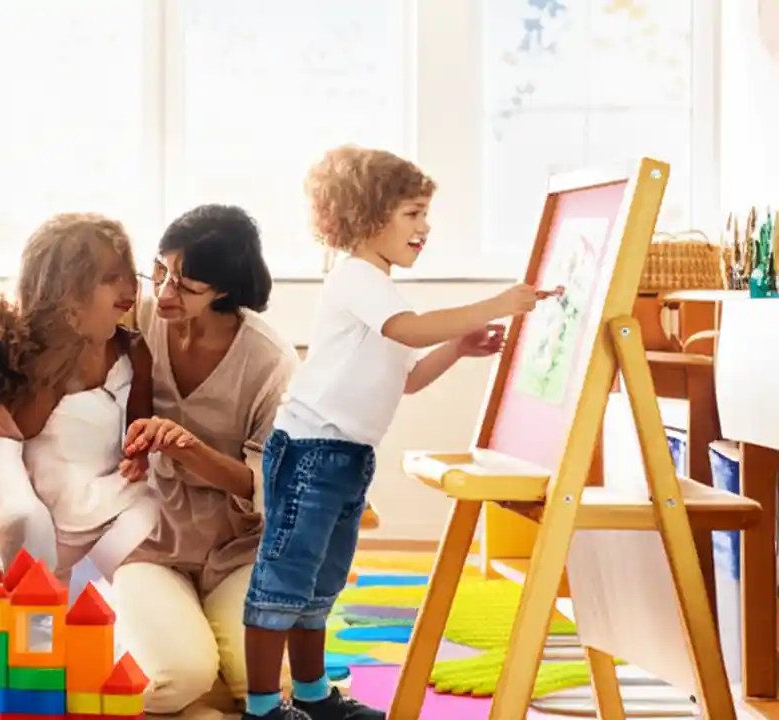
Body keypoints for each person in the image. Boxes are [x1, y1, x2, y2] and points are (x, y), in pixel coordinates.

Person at [240, 145, 556, 720]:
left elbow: (407, 377)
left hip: (346, 456)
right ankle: (262, 708)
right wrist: (500, 303)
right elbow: (409, 331)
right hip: (311, 451)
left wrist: (458, 348)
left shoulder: (379, 286)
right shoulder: (358, 278)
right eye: (412, 214)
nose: (425, 227)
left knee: (320, 587)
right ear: (367, 216)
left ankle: (312, 696)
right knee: (283, 579)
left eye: (423, 215)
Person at [0, 212, 158, 630]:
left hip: (107, 493)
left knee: (156, 508)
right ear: (68, 296)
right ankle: (58, 604)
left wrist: (139, 452)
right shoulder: (42, 361)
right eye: (110, 279)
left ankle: (88, 595)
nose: (128, 290)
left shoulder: (132, 351)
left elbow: (139, 420)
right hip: (56, 500)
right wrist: (63, 359)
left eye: (130, 275)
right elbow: (25, 429)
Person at [109, 203, 299, 715]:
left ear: (225, 291)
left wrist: (185, 446)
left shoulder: (270, 362)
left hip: (237, 548)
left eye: (187, 286)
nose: (165, 292)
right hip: (147, 540)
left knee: (253, 682)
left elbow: (264, 485)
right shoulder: (140, 314)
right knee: (179, 676)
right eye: (160, 271)